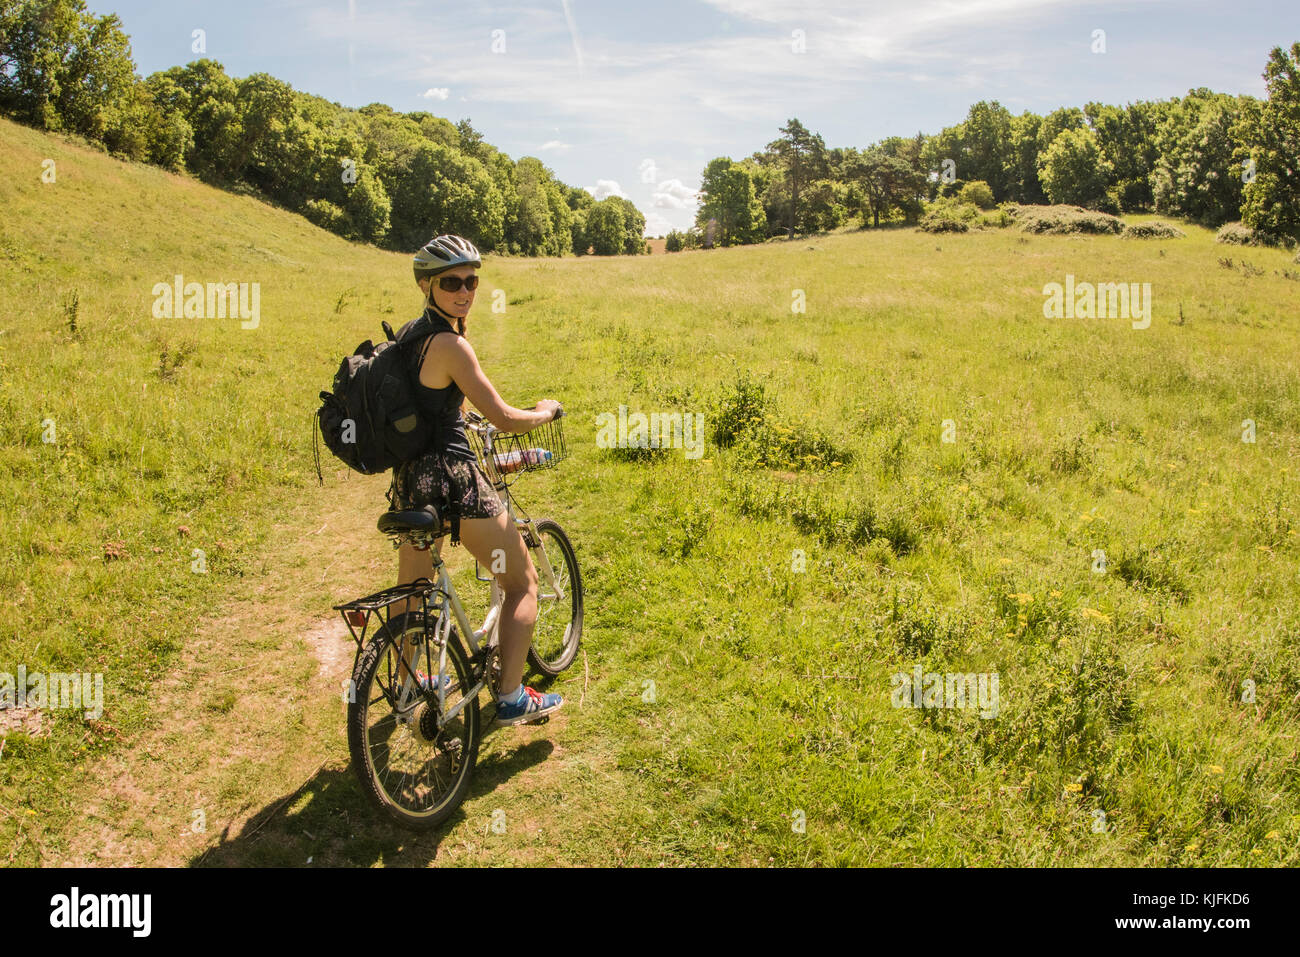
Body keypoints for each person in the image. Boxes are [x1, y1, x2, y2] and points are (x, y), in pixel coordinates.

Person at [387, 234, 563, 726]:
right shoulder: (450, 344)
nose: (464, 291)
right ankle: (510, 698)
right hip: (454, 480)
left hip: (412, 482)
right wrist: (543, 414)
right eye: (451, 282)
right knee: (521, 581)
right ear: (426, 285)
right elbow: (505, 418)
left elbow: (429, 405)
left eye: (471, 280)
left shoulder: (408, 337)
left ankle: (405, 688)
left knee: (413, 592)